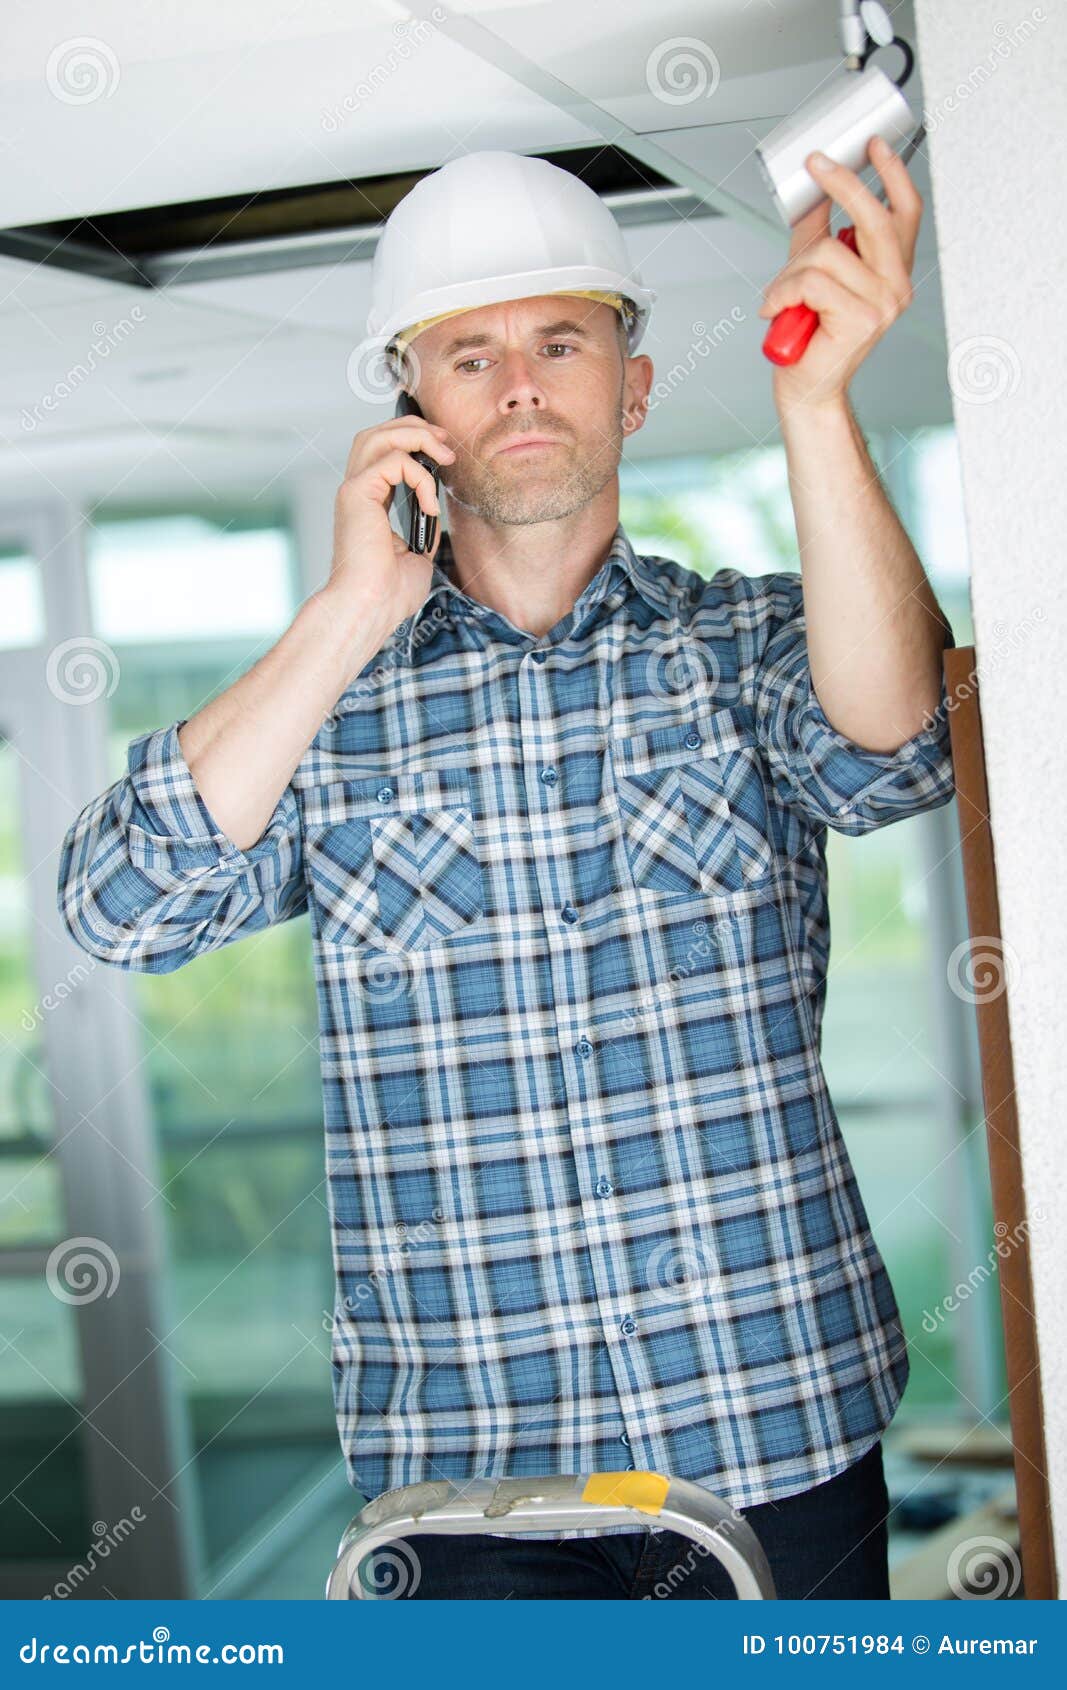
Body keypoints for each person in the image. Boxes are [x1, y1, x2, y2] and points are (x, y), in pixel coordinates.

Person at [57, 146, 955, 1600]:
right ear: (413, 413)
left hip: (773, 1434)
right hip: (470, 1484)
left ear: (635, 386)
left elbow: (897, 752)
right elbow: (121, 902)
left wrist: (816, 398)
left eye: (561, 340)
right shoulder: (329, 707)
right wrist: (350, 609)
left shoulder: (743, 647)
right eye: (469, 355)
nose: (521, 385)